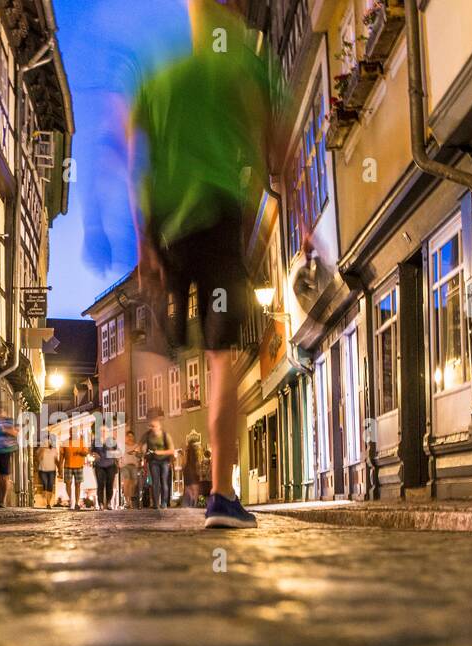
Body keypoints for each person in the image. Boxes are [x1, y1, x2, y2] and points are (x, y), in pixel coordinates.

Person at [129, 0, 287, 529]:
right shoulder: (245, 62)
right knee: (222, 358)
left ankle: (167, 340)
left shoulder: (161, 74)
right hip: (219, 219)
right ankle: (222, 495)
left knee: (179, 341)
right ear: (236, 10)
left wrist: (144, 244)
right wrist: (288, 196)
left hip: (169, 227)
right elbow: (278, 146)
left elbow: (138, 158)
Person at [140, 412, 176, 510]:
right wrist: (139, 450)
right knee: (155, 482)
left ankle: (164, 503)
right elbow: (141, 445)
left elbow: (172, 450)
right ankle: (156, 503)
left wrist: (159, 452)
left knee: (164, 481)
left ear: (159, 425)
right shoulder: (148, 435)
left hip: (164, 461)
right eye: (151, 426)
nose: (152, 428)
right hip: (153, 461)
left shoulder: (165, 435)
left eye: (154, 426)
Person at [91, 417, 121, 510]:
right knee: (100, 484)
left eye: (105, 431)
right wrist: (94, 454)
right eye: (102, 431)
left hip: (110, 465)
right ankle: (100, 503)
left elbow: (118, 452)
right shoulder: (96, 441)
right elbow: (91, 451)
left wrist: (113, 453)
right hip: (99, 465)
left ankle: (108, 503)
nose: (103, 433)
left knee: (109, 484)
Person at [60, 431, 89, 510]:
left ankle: (76, 503)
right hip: (67, 465)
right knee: (68, 483)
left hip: (79, 466)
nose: (73, 433)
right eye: (72, 432)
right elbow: (61, 455)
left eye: (75, 432)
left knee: (78, 485)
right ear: (69, 433)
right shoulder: (65, 442)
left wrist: (80, 452)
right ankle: (71, 500)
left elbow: (86, 452)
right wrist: (60, 467)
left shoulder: (81, 442)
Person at [119, 430, 140, 508]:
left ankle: (130, 499)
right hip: (125, 466)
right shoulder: (123, 446)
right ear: (126, 437)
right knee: (126, 483)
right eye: (128, 436)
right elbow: (119, 456)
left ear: (133, 437)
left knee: (133, 484)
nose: (130, 438)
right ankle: (127, 501)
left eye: (131, 436)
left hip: (134, 466)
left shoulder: (136, 446)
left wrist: (137, 454)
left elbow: (140, 456)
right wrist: (120, 464)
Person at [36, 439, 59, 509]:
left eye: (48, 442)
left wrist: (60, 469)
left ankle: (48, 503)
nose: (46, 444)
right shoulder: (40, 450)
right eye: (44, 442)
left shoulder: (54, 450)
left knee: (50, 486)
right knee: (45, 484)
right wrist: (42, 451)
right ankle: (46, 501)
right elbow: (38, 459)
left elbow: (56, 460)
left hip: (52, 470)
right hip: (43, 470)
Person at [182, 435, 202, 507]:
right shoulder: (196, 453)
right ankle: (194, 503)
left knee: (188, 490)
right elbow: (198, 464)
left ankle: (189, 504)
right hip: (194, 473)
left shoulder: (187, 452)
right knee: (195, 490)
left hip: (188, 472)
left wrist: (183, 470)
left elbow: (183, 463)